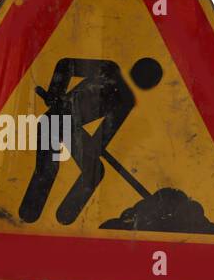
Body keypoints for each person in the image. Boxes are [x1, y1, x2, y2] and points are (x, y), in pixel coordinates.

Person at [18, 56, 163, 225]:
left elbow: (103, 135)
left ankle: (65, 217)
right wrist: (56, 92)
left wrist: (95, 147)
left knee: (94, 171)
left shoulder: (127, 101)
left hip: (71, 130)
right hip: (52, 121)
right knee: (48, 168)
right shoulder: (109, 68)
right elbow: (66, 65)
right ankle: (28, 214)